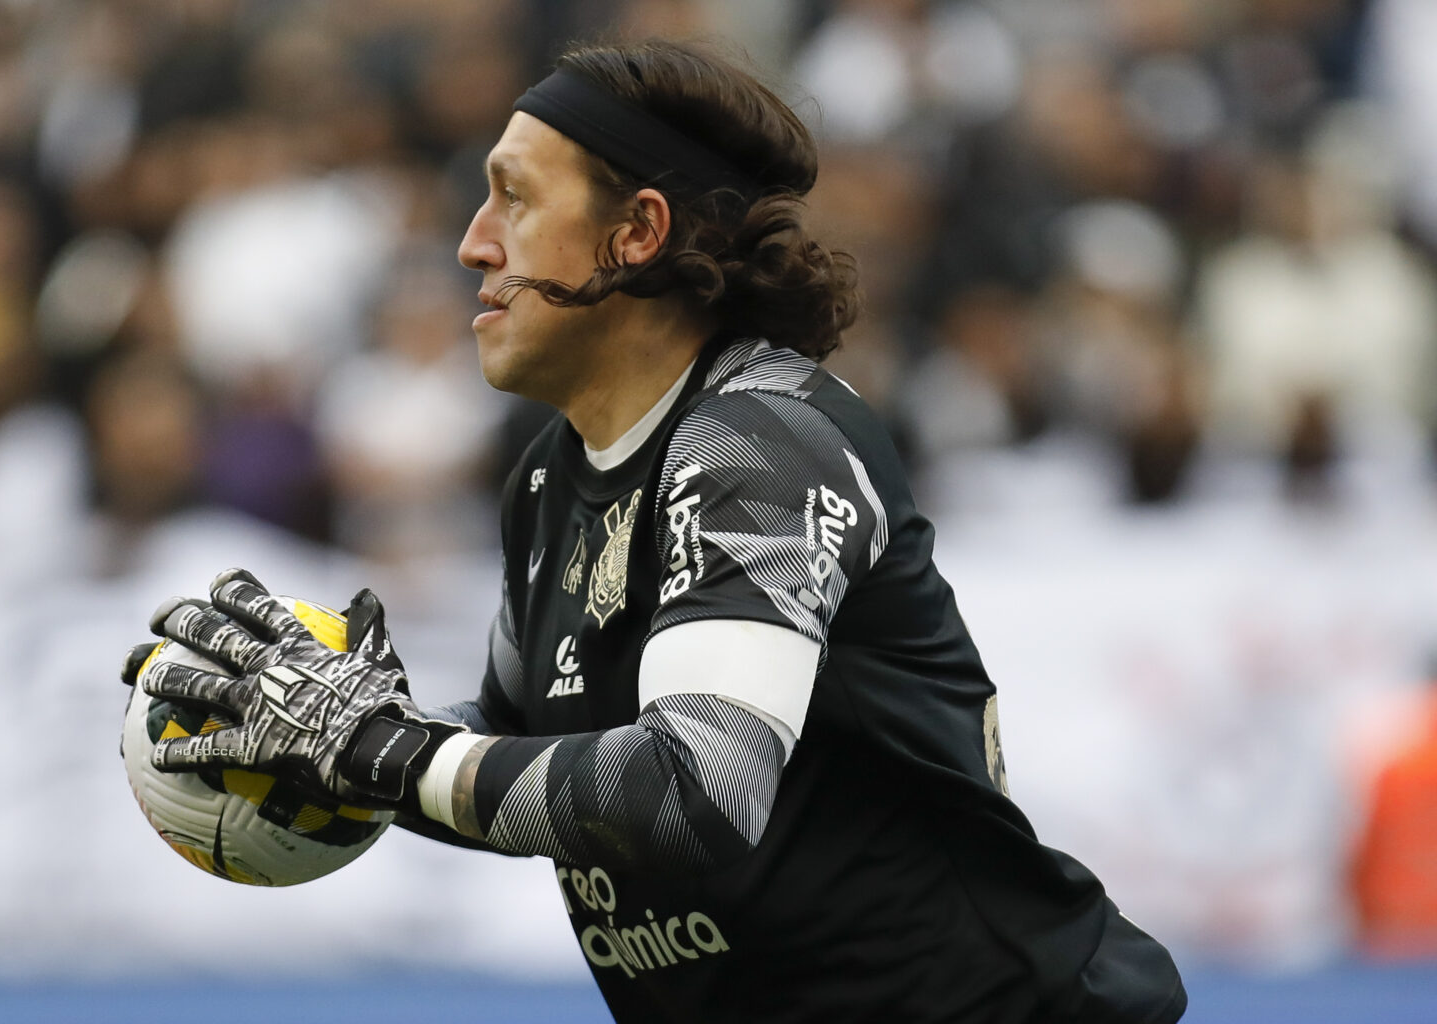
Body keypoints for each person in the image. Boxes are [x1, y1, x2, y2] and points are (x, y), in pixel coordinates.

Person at [127, 38, 1188, 1023]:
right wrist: (325, 734)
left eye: (513, 199)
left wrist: (385, 752)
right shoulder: (547, 477)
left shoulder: (757, 439)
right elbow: (516, 746)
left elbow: (699, 784)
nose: (470, 243)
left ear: (635, 233)